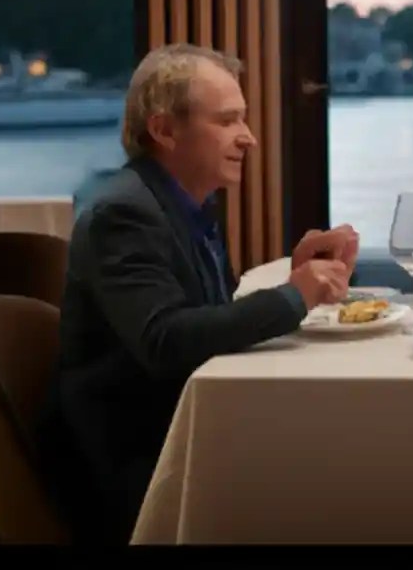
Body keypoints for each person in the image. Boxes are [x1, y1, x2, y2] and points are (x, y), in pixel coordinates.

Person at [38, 43, 359, 544]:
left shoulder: (183, 202)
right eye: (228, 121)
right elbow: (165, 340)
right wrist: (294, 297)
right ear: (164, 130)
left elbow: (206, 315)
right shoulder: (123, 215)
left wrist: (297, 278)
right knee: (329, 469)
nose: (249, 138)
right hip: (135, 459)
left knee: (330, 450)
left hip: (178, 428)